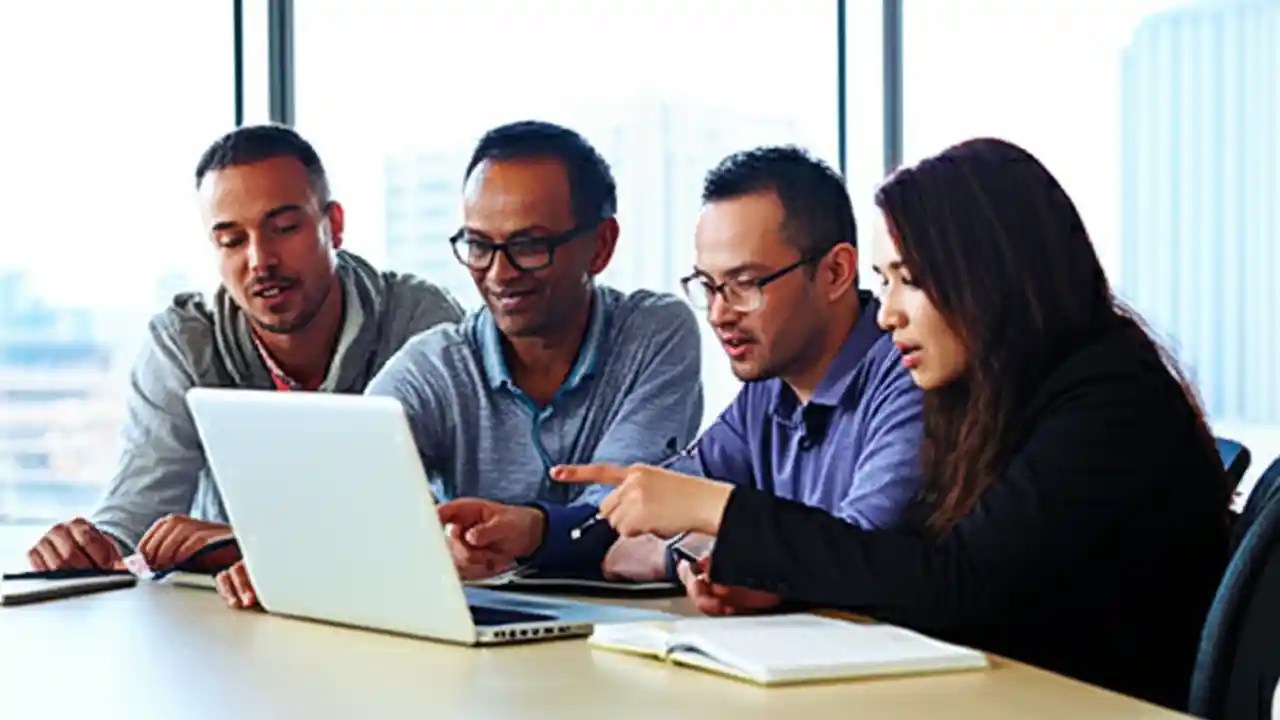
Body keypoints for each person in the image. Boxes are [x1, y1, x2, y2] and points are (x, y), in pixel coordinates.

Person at [554, 137, 1230, 710]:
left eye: (908, 280)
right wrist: (775, 577)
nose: (885, 313)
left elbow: (953, 584)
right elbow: (914, 565)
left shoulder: (1109, 403)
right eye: (887, 279)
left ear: (988, 278)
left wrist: (718, 511)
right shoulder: (1001, 400)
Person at [212, 120, 703, 609]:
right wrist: (294, 555)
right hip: (484, 638)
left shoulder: (654, 333)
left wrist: (532, 532)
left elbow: (626, 510)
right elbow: (342, 489)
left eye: (529, 246)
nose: (499, 273)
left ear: (600, 245)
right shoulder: (437, 365)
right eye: (479, 246)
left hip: (632, 631)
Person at [25, 124, 464, 575]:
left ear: (333, 226)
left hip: (386, 595)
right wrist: (92, 548)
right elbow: (141, 504)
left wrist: (249, 544)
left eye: (285, 228)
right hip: (229, 616)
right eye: (232, 240)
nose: (260, 260)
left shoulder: (417, 322)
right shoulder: (186, 342)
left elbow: (451, 516)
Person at [599, 146, 924, 583]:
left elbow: (860, 554)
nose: (718, 314)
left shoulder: (908, 371)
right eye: (708, 286)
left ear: (835, 272)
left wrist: (712, 543)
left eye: (745, 284)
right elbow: (650, 511)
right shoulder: (770, 387)